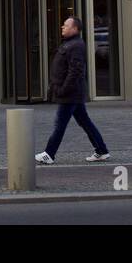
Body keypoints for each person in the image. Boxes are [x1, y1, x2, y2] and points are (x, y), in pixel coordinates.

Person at [36, 16, 110, 164]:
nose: (62, 27)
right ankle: (102, 150)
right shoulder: (70, 44)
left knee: (60, 124)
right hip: (73, 93)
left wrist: (63, 89)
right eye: (63, 25)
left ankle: (49, 154)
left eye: (66, 25)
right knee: (85, 122)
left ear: (75, 29)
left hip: (71, 93)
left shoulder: (76, 45)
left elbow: (75, 71)